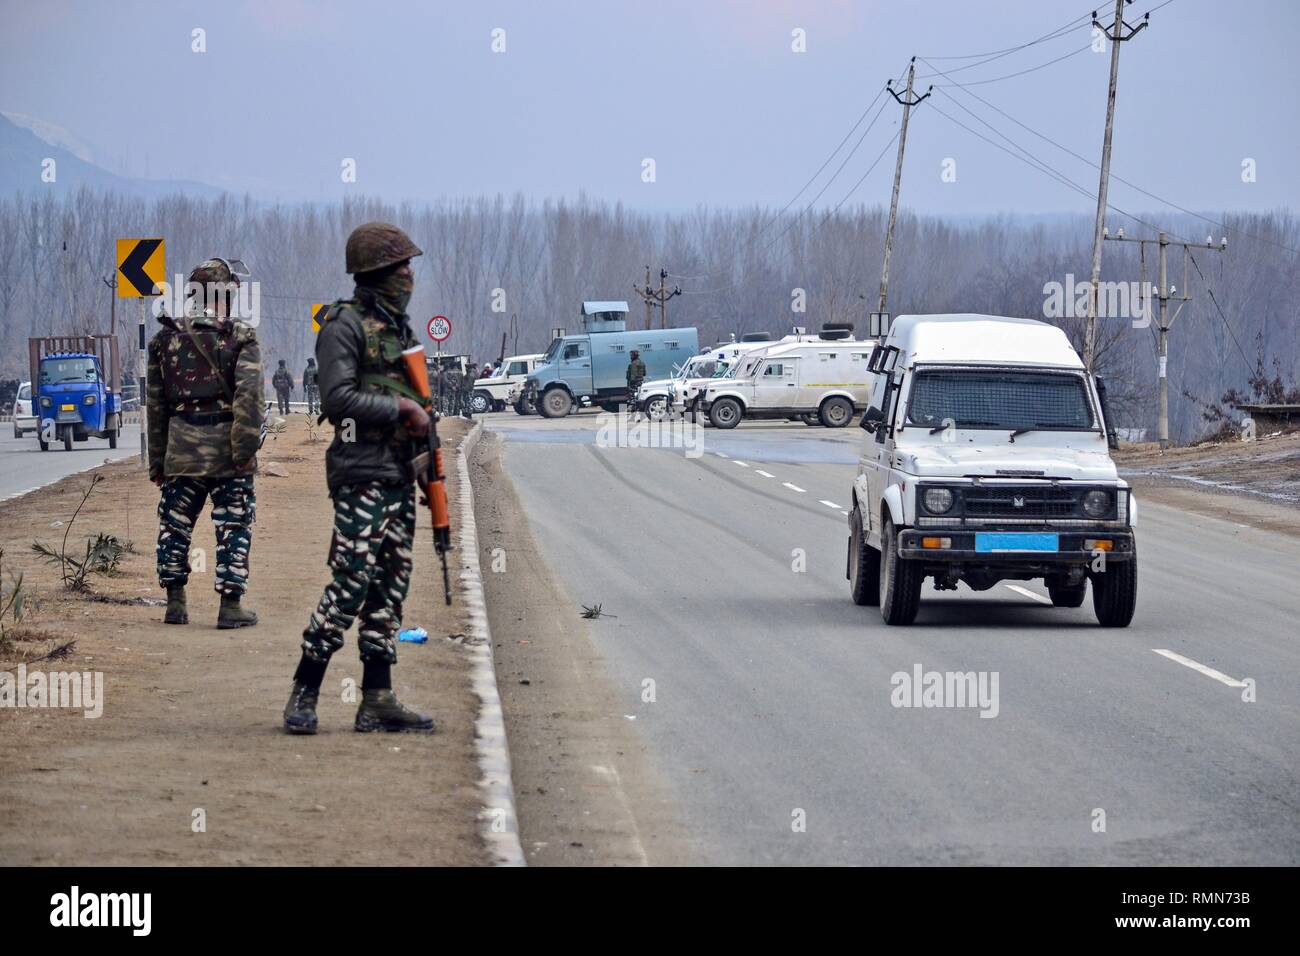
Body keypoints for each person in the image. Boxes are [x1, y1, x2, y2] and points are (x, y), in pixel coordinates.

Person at [283, 222, 436, 735]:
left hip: (396, 473)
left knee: (390, 588)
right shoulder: (342, 326)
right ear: (379, 274)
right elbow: (338, 400)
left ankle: (377, 698)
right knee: (351, 580)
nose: (410, 276)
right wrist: (400, 409)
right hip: (359, 472)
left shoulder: (399, 331)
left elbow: (421, 406)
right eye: (403, 268)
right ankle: (304, 691)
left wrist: (424, 463)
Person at [147, 257, 262, 629]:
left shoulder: (164, 339)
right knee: (233, 525)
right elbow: (248, 402)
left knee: (175, 524)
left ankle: (175, 603)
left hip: (181, 449)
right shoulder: (241, 336)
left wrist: (157, 462)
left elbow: (156, 407)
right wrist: (245, 455)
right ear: (226, 295)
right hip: (228, 452)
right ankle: (230, 607)